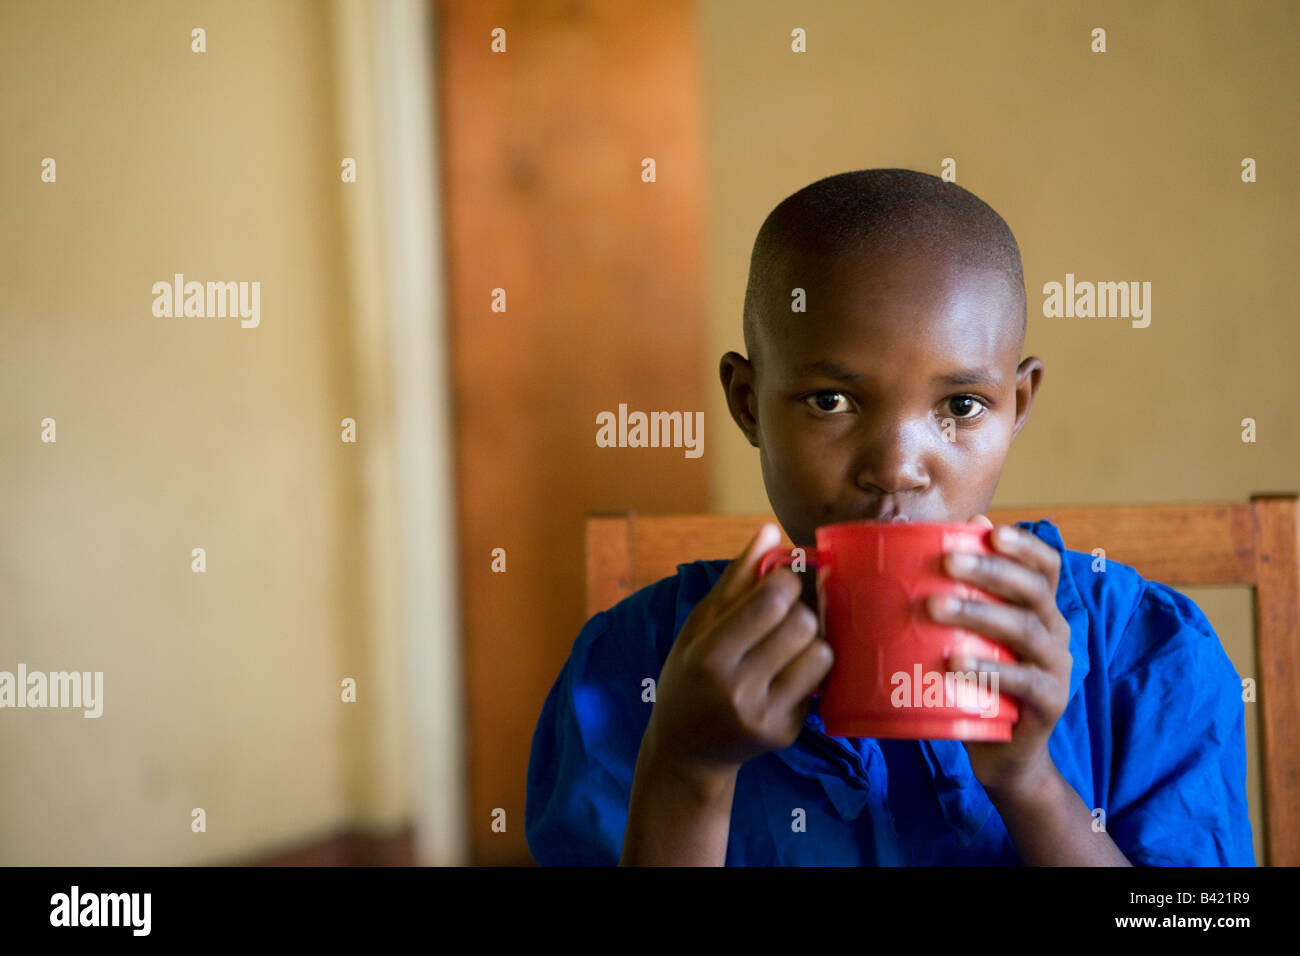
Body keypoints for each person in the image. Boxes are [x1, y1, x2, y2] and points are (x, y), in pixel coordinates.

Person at [526, 169, 1255, 865]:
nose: (898, 467)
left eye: (961, 406)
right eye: (829, 402)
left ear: (1018, 405)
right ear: (748, 403)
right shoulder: (633, 670)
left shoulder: (1144, 655)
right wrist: (687, 771)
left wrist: (1031, 784)